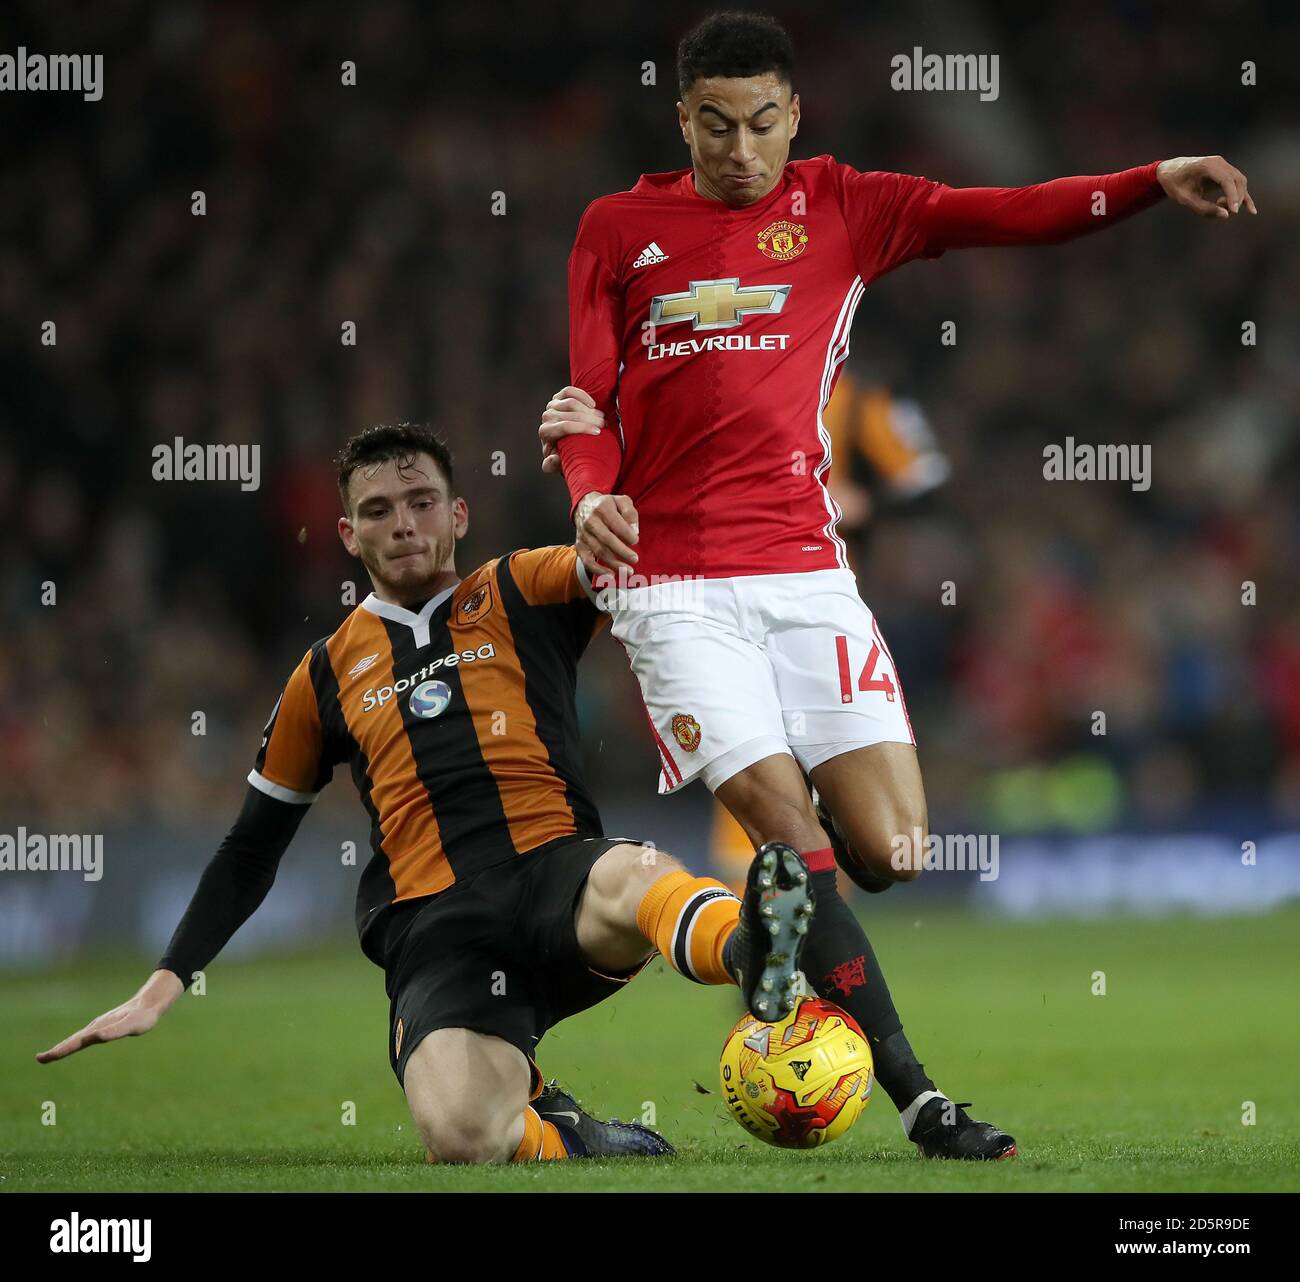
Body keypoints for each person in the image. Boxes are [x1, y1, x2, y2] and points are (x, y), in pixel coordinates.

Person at [538, 10, 1254, 1158]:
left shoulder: (844, 205)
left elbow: (1009, 215)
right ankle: (920, 1096)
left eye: (761, 123)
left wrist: (1149, 179)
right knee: (782, 833)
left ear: (793, 118)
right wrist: (588, 497)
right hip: (669, 585)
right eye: (714, 125)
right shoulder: (617, 228)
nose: (738, 148)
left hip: (809, 575)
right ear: (683, 119)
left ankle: (807, 917)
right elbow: (583, 403)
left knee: (888, 854)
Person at [36, 423, 817, 1165]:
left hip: (558, 880)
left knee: (635, 872)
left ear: (458, 514)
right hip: (436, 928)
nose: (403, 524)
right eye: (377, 510)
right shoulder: (324, 673)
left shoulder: (520, 587)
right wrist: (163, 984)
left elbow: (622, 548)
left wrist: (600, 451)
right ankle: (574, 1133)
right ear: (349, 534)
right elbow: (251, 847)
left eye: (421, 504)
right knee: (462, 1138)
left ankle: (748, 951)